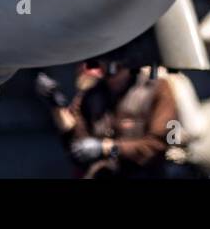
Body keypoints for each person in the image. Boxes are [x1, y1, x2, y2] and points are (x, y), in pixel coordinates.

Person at [35, 59, 181, 178]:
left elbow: (158, 145)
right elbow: (78, 146)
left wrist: (108, 149)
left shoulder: (156, 89)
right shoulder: (91, 96)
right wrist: (56, 105)